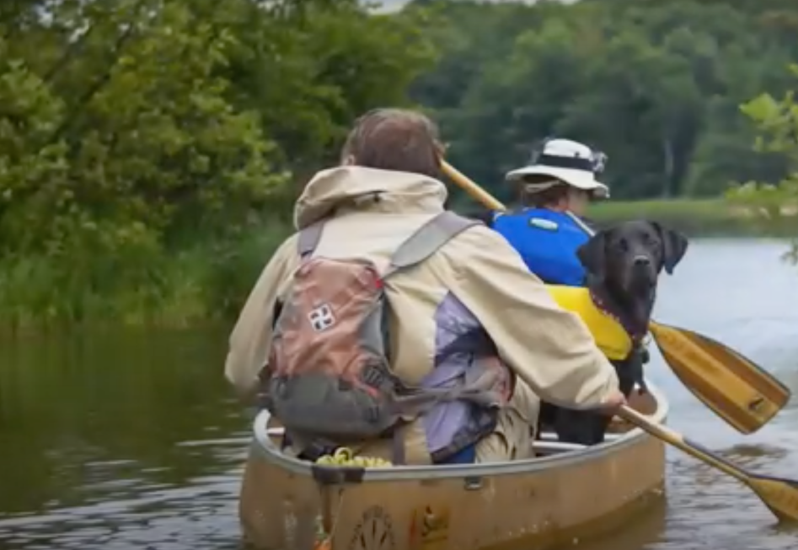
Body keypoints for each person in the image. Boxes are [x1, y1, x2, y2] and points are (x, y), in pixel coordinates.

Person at [224, 109, 625, 466]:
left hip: (313, 453)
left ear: (351, 166)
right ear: (433, 173)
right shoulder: (466, 244)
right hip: (423, 457)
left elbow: (241, 372)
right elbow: (547, 337)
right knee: (519, 382)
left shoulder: (300, 246)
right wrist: (601, 388)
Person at [492, 138, 610, 287]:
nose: (586, 205)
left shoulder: (493, 226)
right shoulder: (595, 248)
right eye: (586, 196)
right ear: (564, 199)